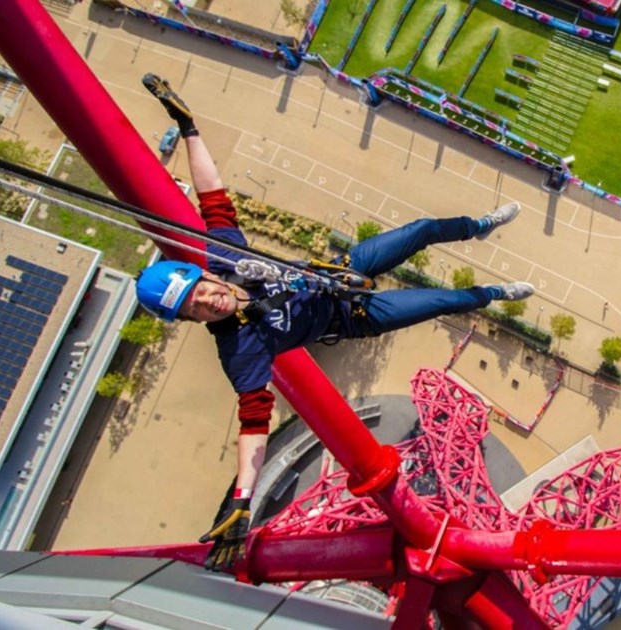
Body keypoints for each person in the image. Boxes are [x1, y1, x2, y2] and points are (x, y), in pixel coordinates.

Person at [134, 74, 534, 571]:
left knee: (424, 230)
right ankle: (495, 293)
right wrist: (242, 497)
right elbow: (253, 424)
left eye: (201, 290)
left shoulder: (227, 259)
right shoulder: (240, 350)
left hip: (346, 272)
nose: (210, 301)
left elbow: (211, 195)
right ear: (192, 318)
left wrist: (190, 127)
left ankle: (478, 226)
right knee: (442, 302)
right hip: (355, 318)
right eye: (196, 307)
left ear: (200, 275)